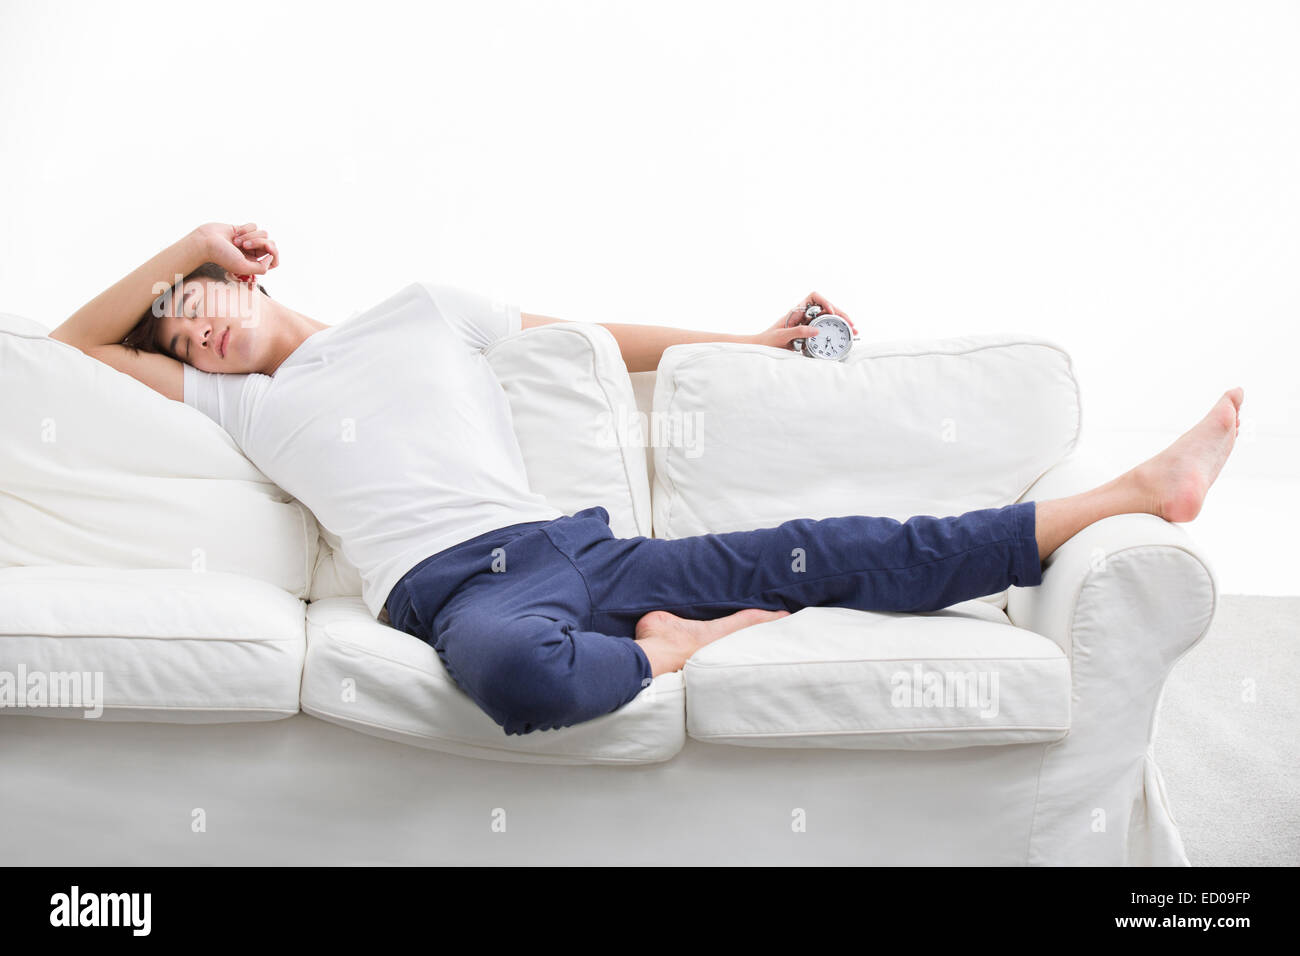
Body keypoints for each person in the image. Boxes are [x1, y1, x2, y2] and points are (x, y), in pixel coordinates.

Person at [52, 221, 1244, 735]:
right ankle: (674, 646)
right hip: (467, 593)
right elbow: (75, 349)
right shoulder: (244, 402)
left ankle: (1137, 492)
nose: (192, 329)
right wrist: (191, 244)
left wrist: (755, 340)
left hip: (582, 546)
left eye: (200, 304)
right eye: (177, 329)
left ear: (254, 284)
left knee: (844, 546)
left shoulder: (422, 309)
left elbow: (587, 331)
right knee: (518, 680)